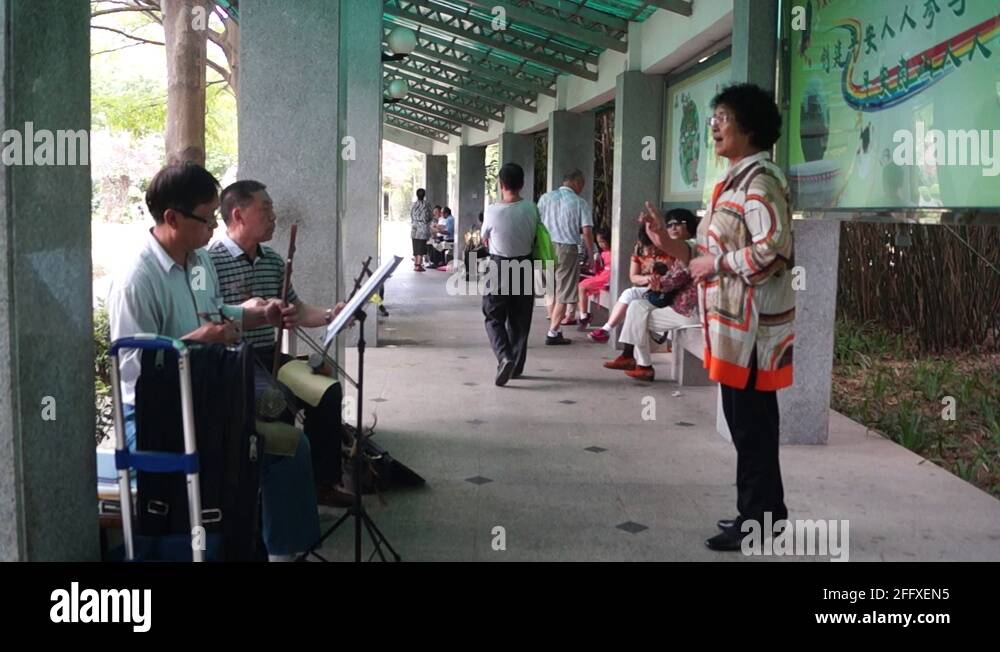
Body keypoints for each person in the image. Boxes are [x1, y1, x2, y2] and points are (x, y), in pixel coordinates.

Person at [107, 162, 320, 561]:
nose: (213, 229)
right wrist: (196, 341)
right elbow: (132, 367)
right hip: (157, 417)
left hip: (204, 397)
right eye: (206, 220)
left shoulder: (199, 260)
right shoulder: (138, 278)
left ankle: (279, 552)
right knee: (270, 450)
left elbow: (214, 310)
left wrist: (254, 313)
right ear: (171, 217)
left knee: (290, 440)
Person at [639, 83, 794, 552]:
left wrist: (717, 265)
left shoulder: (760, 181)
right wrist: (670, 247)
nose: (715, 127)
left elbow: (775, 249)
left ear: (749, 126)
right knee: (748, 425)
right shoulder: (732, 182)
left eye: (723, 118)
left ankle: (760, 521)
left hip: (752, 332)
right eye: (714, 119)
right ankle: (763, 514)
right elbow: (706, 253)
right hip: (731, 327)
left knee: (751, 427)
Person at [208, 179, 351, 506]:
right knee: (278, 399)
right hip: (232, 359)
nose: (274, 217)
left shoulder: (273, 260)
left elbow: (297, 310)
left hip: (270, 355)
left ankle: (322, 482)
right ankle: (271, 494)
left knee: (327, 390)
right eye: (266, 210)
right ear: (238, 214)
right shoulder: (210, 261)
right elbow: (207, 316)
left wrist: (332, 313)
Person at [480, 163, 539, 386]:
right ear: (522, 184)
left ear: (501, 184)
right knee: (520, 319)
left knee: (493, 316)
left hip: (499, 266)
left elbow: (484, 237)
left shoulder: (493, 210)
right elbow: (534, 234)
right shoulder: (531, 208)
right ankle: (515, 366)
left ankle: (504, 357)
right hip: (524, 265)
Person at [586, 221, 683, 342]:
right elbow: (633, 277)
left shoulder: (673, 250)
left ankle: (608, 332)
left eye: (654, 247)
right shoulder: (639, 249)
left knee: (633, 302)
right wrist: (648, 279)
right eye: (647, 248)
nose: (651, 252)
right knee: (631, 299)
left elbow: (677, 278)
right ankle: (607, 332)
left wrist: (662, 281)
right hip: (651, 290)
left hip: (669, 293)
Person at [537, 169, 593, 344]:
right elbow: (586, 230)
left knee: (550, 290)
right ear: (575, 182)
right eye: (582, 184)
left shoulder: (545, 198)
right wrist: (591, 254)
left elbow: (536, 222)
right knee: (564, 292)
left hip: (545, 246)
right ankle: (553, 333)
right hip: (566, 248)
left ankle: (557, 328)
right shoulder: (579, 202)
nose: (582, 188)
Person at [575, 229, 611, 325]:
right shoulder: (602, 253)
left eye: (602, 242)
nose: (600, 244)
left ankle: (584, 315)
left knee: (582, 286)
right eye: (598, 242)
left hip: (606, 278)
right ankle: (583, 314)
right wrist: (595, 262)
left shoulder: (613, 253)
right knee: (581, 285)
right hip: (601, 276)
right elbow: (598, 270)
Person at [410, 188, 434, 272]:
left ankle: (416, 264)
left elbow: (411, 215)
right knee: (421, 246)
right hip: (423, 227)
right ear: (424, 195)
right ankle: (418, 265)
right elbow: (431, 215)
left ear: (417, 195)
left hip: (414, 227)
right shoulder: (427, 204)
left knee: (415, 245)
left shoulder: (413, 204)